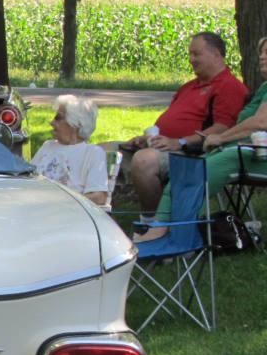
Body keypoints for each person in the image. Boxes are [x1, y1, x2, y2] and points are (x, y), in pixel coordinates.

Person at [117, 32, 248, 241]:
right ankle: (92, 221)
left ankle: (152, 226)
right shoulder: (189, 86)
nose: (191, 59)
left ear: (216, 54)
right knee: (100, 152)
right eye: (189, 54)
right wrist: (146, 139)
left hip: (191, 153)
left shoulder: (229, 86)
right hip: (162, 145)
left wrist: (180, 142)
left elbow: (223, 128)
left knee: (144, 161)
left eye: (196, 54)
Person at [32, 95, 109, 207]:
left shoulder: (92, 153)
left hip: (70, 214)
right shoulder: (48, 146)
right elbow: (27, 179)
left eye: (58, 117)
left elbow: (98, 197)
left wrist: (59, 202)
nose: (52, 123)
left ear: (76, 124)